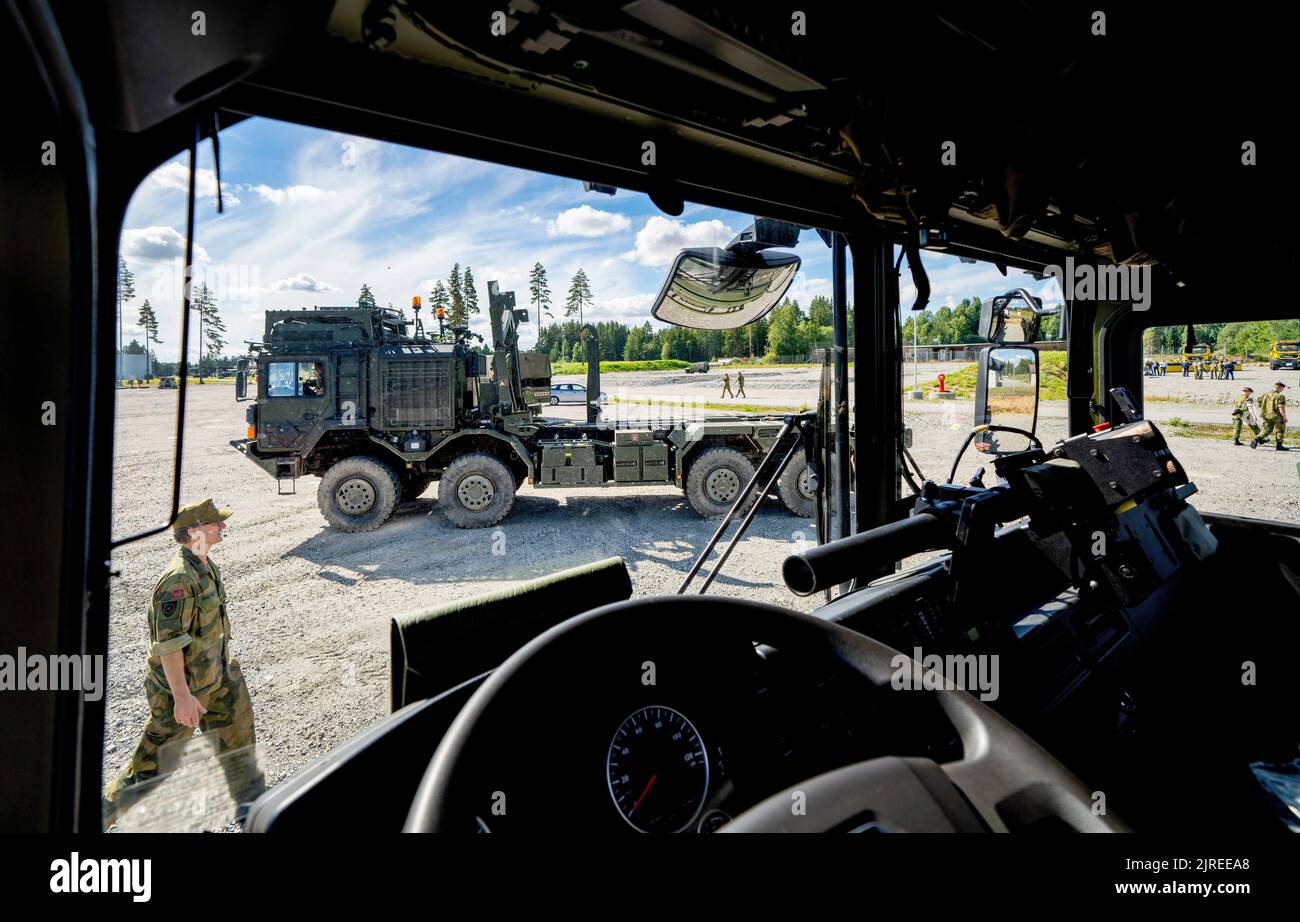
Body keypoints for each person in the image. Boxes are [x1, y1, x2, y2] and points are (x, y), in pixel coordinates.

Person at [102, 498, 265, 828]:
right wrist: (182, 698)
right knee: (154, 766)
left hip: (217, 675)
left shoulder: (204, 563)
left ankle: (253, 807)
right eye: (214, 523)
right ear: (193, 532)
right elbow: (169, 647)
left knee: (239, 740)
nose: (222, 526)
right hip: (185, 688)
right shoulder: (177, 581)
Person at [1251, 382, 1289, 451]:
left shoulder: (1265, 395)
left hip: (1266, 415)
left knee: (1267, 429)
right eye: (1282, 389)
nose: (1282, 390)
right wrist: (1284, 417)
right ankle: (1279, 446)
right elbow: (1281, 407)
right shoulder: (1280, 396)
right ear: (1280, 387)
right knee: (1280, 430)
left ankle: (1256, 439)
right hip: (1276, 416)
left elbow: (1257, 404)